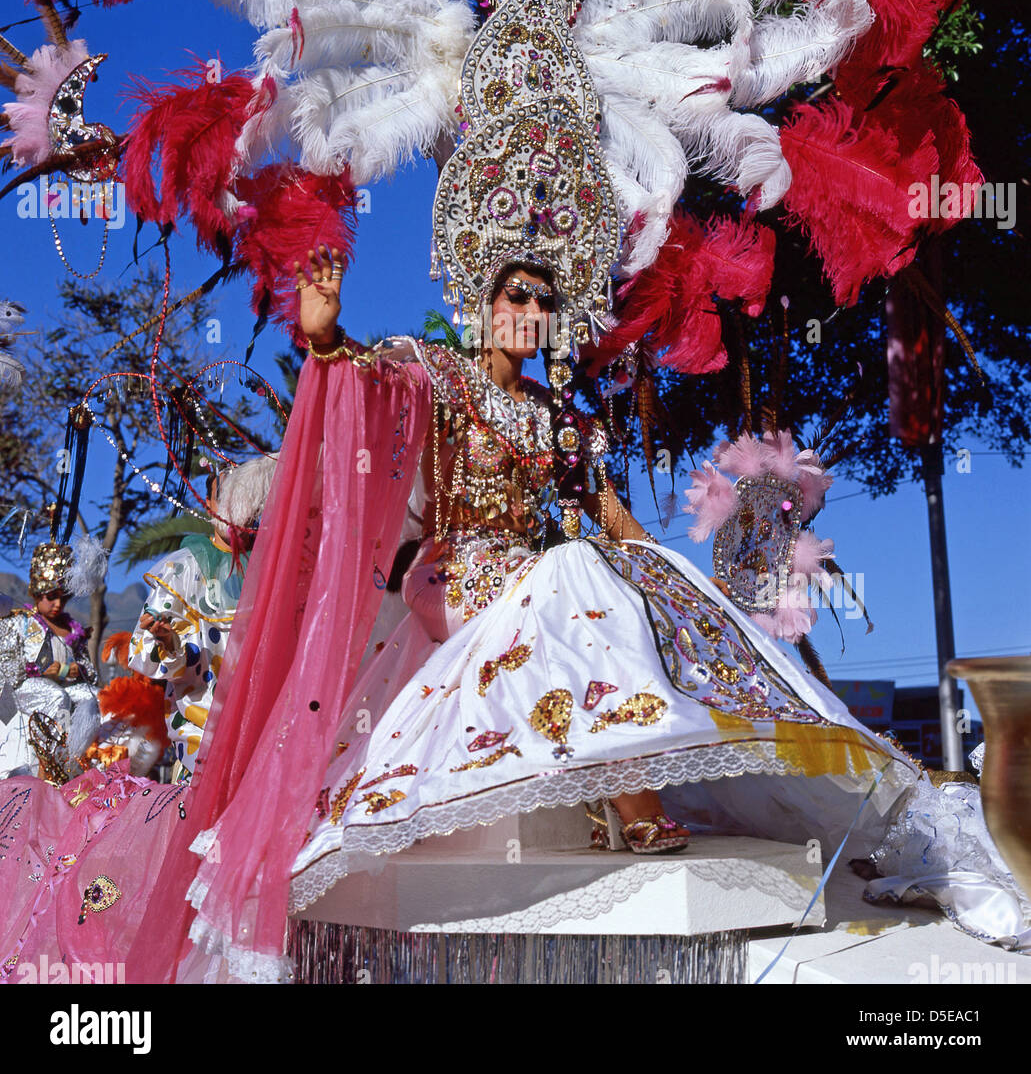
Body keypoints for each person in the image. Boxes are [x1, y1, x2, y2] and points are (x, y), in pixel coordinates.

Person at [275, 245, 918, 914]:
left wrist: (677, 582)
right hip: (451, 574)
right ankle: (627, 791)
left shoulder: (556, 419)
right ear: (482, 303)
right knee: (572, 565)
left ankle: (608, 780)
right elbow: (367, 384)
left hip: (529, 575)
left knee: (593, 568)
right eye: (517, 295)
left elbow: (609, 514)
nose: (532, 310)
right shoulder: (441, 376)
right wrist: (324, 337)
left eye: (545, 302)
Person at [128, 459, 273, 782]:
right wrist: (170, 643)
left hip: (270, 724)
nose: (236, 509)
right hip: (202, 727)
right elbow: (142, 654)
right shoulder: (182, 569)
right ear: (208, 503)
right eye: (225, 498)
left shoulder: (279, 563)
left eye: (245, 498)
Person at [0, 541, 97, 780]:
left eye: (63, 598)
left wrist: (73, 670)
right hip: (25, 690)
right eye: (51, 597)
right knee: (56, 697)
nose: (58, 604)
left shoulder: (72, 629)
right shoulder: (19, 622)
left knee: (94, 697)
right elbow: (9, 668)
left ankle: (77, 756)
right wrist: (43, 672)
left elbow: (91, 674)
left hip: (64, 688)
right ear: (37, 592)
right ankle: (48, 769)